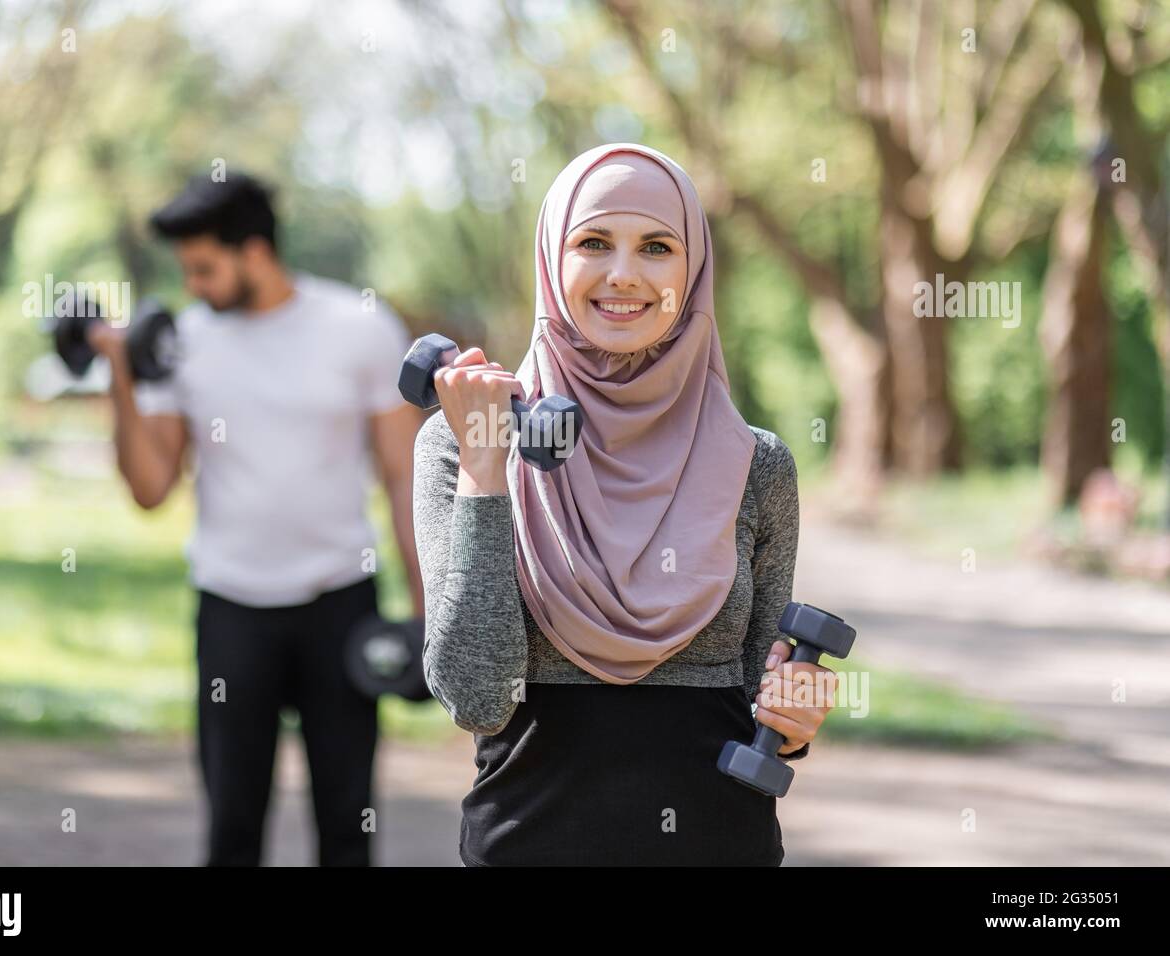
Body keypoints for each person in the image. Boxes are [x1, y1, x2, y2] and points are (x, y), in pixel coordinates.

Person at [411, 143, 836, 866]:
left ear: (692, 269)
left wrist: (796, 715)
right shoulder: (459, 442)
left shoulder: (758, 466)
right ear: (553, 258)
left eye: (657, 247)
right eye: (594, 242)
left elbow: (772, 702)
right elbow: (478, 696)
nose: (624, 274)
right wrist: (489, 463)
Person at [86, 171, 425, 866]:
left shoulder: (358, 327)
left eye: (205, 268)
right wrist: (120, 374)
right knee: (232, 828)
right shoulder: (185, 344)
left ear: (255, 251)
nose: (194, 286)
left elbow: (404, 477)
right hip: (232, 608)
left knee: (347, 826)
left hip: (340, 603)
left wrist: (428, 611)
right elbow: (151, 489)